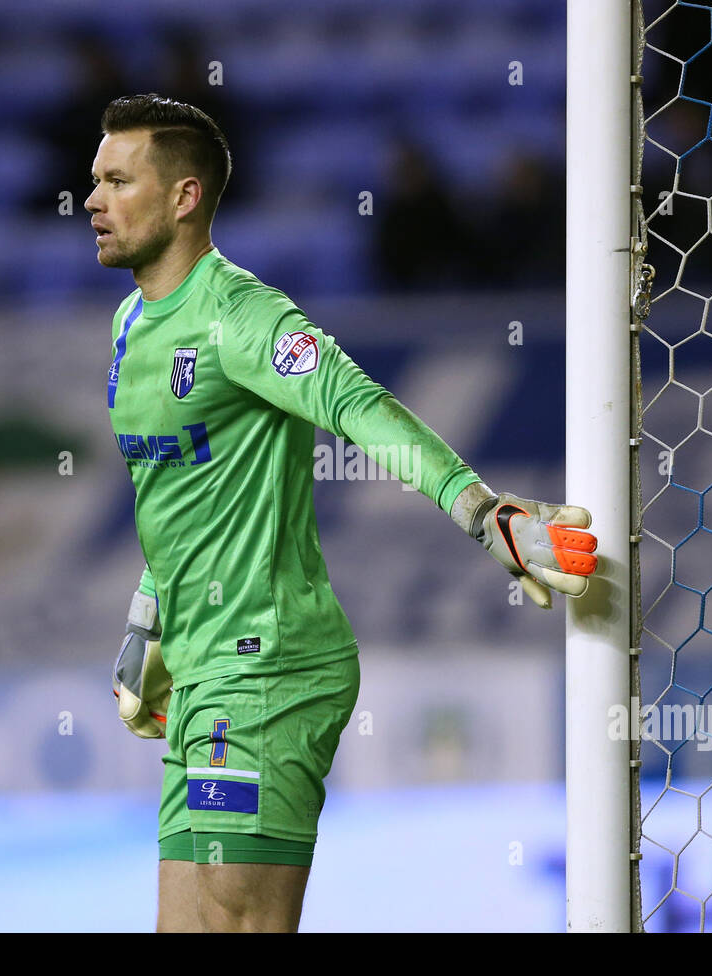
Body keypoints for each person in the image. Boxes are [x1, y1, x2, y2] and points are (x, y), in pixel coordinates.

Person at [85, 94, 599, 932]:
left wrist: (483, 512)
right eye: (93, 179)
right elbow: (179, 489)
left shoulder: (239, 316)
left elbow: (358, 405)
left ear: (183, 197)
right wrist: (149, 622)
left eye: (116, 179)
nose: (93, 200)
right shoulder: (131, 321)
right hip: (206, 666)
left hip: (267, 669)